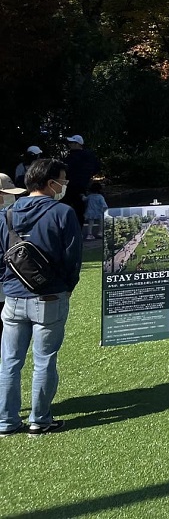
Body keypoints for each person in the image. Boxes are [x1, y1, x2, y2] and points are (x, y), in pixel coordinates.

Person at [0, 158, 83, 436]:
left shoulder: (8, 213)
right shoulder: (63, 212)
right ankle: (40, 418)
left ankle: (7, 421)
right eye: (62, 180)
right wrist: (67, 286)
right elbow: (72, 257)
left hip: (13, 297)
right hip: (49, 296)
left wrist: (8, 283)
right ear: (51, 183)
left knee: (10, 362)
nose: (64, 185)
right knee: (44, 359)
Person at [63, 134, 99, 227]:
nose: (70, 144)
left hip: (70, 186)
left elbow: (65, 169)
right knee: (79, 209)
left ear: (78, 144)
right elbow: (96, 168)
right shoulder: (90, 155)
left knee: (68, 207)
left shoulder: (72, 157)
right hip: (82, 186)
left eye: (72, 143)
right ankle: (79, 228)